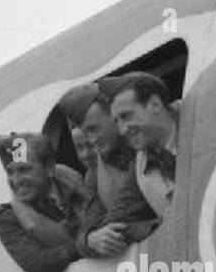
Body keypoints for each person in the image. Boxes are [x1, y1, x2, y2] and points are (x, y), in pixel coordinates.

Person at [58, 80, 159, 253]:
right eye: (86, 132)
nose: (91, 140)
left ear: (114, 114)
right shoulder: (94, 174)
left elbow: (116, 221)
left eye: (93, 129)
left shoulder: (149, 145)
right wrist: (90, 240)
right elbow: (92, 227)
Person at [0, 131, 90, 272]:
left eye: (24, 170)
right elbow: (41, 265)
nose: (16, 181)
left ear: (49, 168)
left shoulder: (78, 184)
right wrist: (87, 243)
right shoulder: (7, 218)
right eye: (10, 172)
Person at [110, 72, 178, 219]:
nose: (122, 130)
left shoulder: (204, 119)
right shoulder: (138, 166)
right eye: (117, 122)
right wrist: (92, 237)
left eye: (126, 116)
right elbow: (117, 220)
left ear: (155, 104)